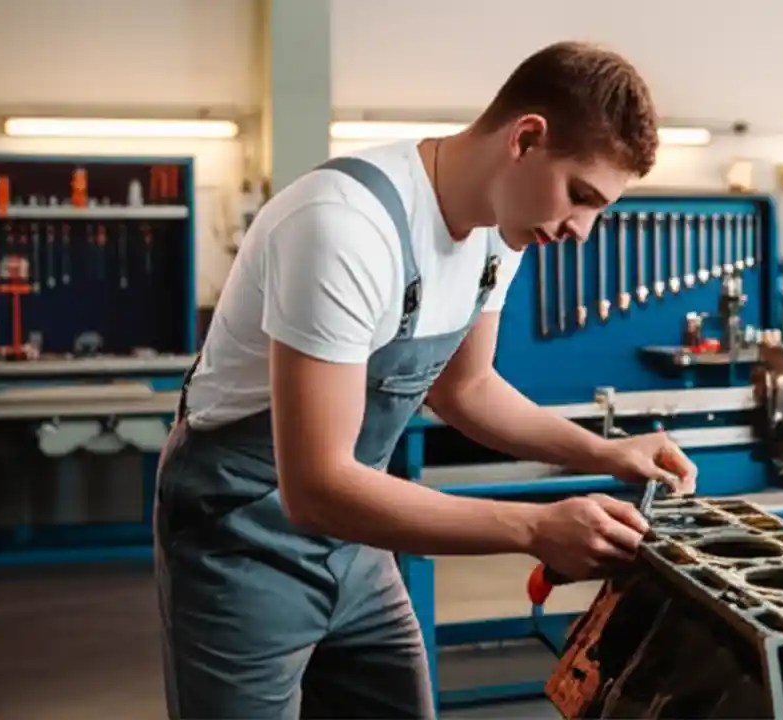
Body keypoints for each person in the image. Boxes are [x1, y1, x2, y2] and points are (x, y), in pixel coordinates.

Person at [154, 40, 698, 719]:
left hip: (355, 536)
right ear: (526, 138)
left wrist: (603, 451)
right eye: (580, 196)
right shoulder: (346, 227)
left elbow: (465, 388)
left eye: (600, 210)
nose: (581, 231)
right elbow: (316, 487)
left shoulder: (500, 235)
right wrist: (534, 528)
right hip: (240, 536)